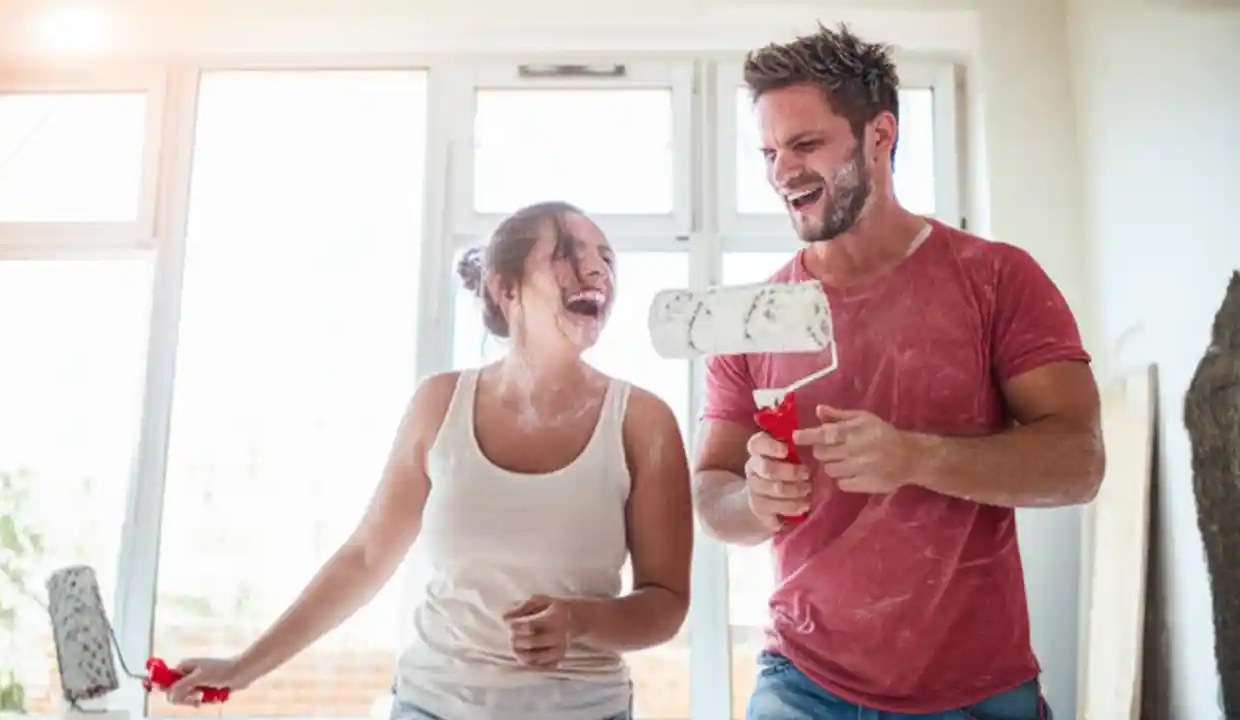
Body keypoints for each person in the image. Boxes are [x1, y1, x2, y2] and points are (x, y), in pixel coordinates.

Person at [693, 23, 1104, 720]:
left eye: (805, 144)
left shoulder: (997, 279)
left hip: (975, 690)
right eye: (768, 152)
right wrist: (755, 500)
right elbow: (711, 494)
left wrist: (914, 455)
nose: (781, 172)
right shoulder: (752, 315)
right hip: (802, 683)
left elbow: (1079, 463)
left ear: (879, 136)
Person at [162, 201, 694, 720]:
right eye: (567, 252)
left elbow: (666, 603)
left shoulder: (643, 422)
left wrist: (581, 620)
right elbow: (368, 557)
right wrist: (243, 666)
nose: (598, 268)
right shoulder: (439, 404)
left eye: (607, 257)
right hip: (432, 704)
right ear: (505, 288)